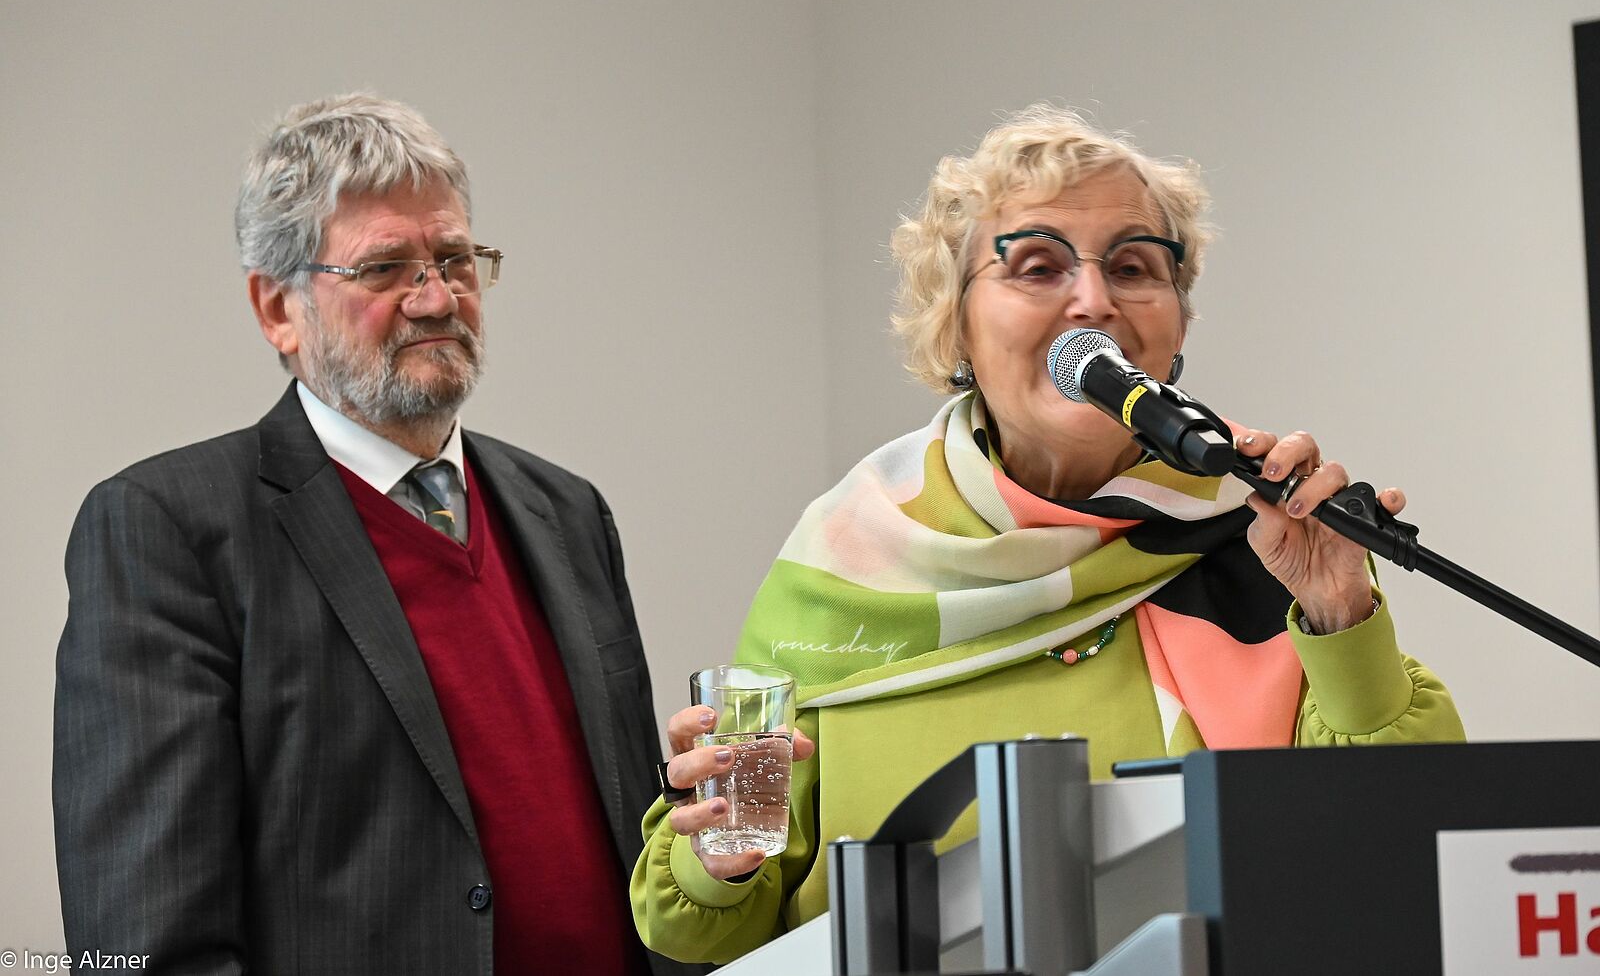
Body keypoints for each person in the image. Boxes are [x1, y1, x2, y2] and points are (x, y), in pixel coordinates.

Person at [631, 104, 1466, 963]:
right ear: (953, 323)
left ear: (1174, 324)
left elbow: (1407, 837)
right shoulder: (842, 569)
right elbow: (699, 927)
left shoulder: (1261, 538)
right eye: (1037, 266)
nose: (1093, 300)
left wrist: (1340, 611)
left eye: (1136, 267)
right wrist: (717, 859)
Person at [55, 94, 693, 976]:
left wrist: (702, 840)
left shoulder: (569, 512)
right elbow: (146, 940)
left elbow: (633, 854)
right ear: (277, 308)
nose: (436, 297)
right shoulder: (169, 532)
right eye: (386, 268)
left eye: (457, 259)